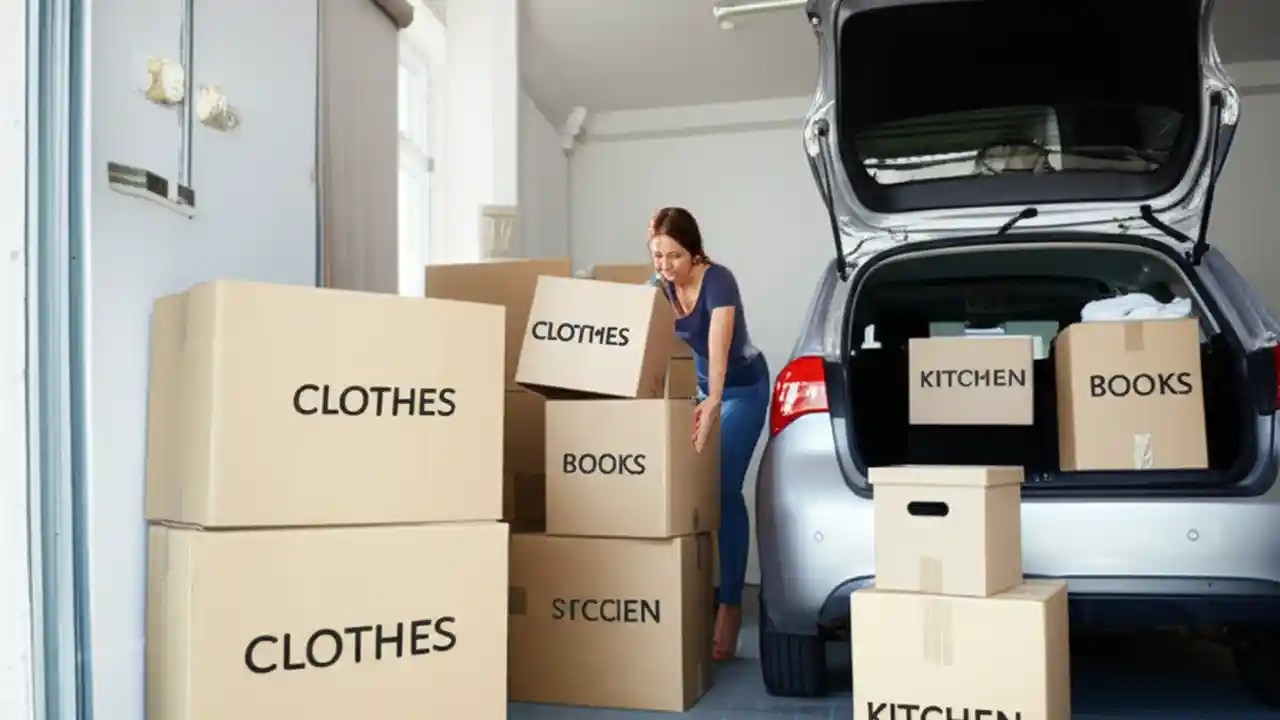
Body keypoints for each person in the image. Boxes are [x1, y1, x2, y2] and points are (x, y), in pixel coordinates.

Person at [646, 206, 770, 661]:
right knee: (691, 489)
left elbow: (718, 349)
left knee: (722, 488)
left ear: (694, 251)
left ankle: (731, 606)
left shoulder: (719, 281)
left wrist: (714, 400)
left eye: (674, 256)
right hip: (704, 392)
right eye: (658, 256)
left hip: (743, 390)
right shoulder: (659, 285)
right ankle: (695, 594)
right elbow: (634, 334)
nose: (666, 266)